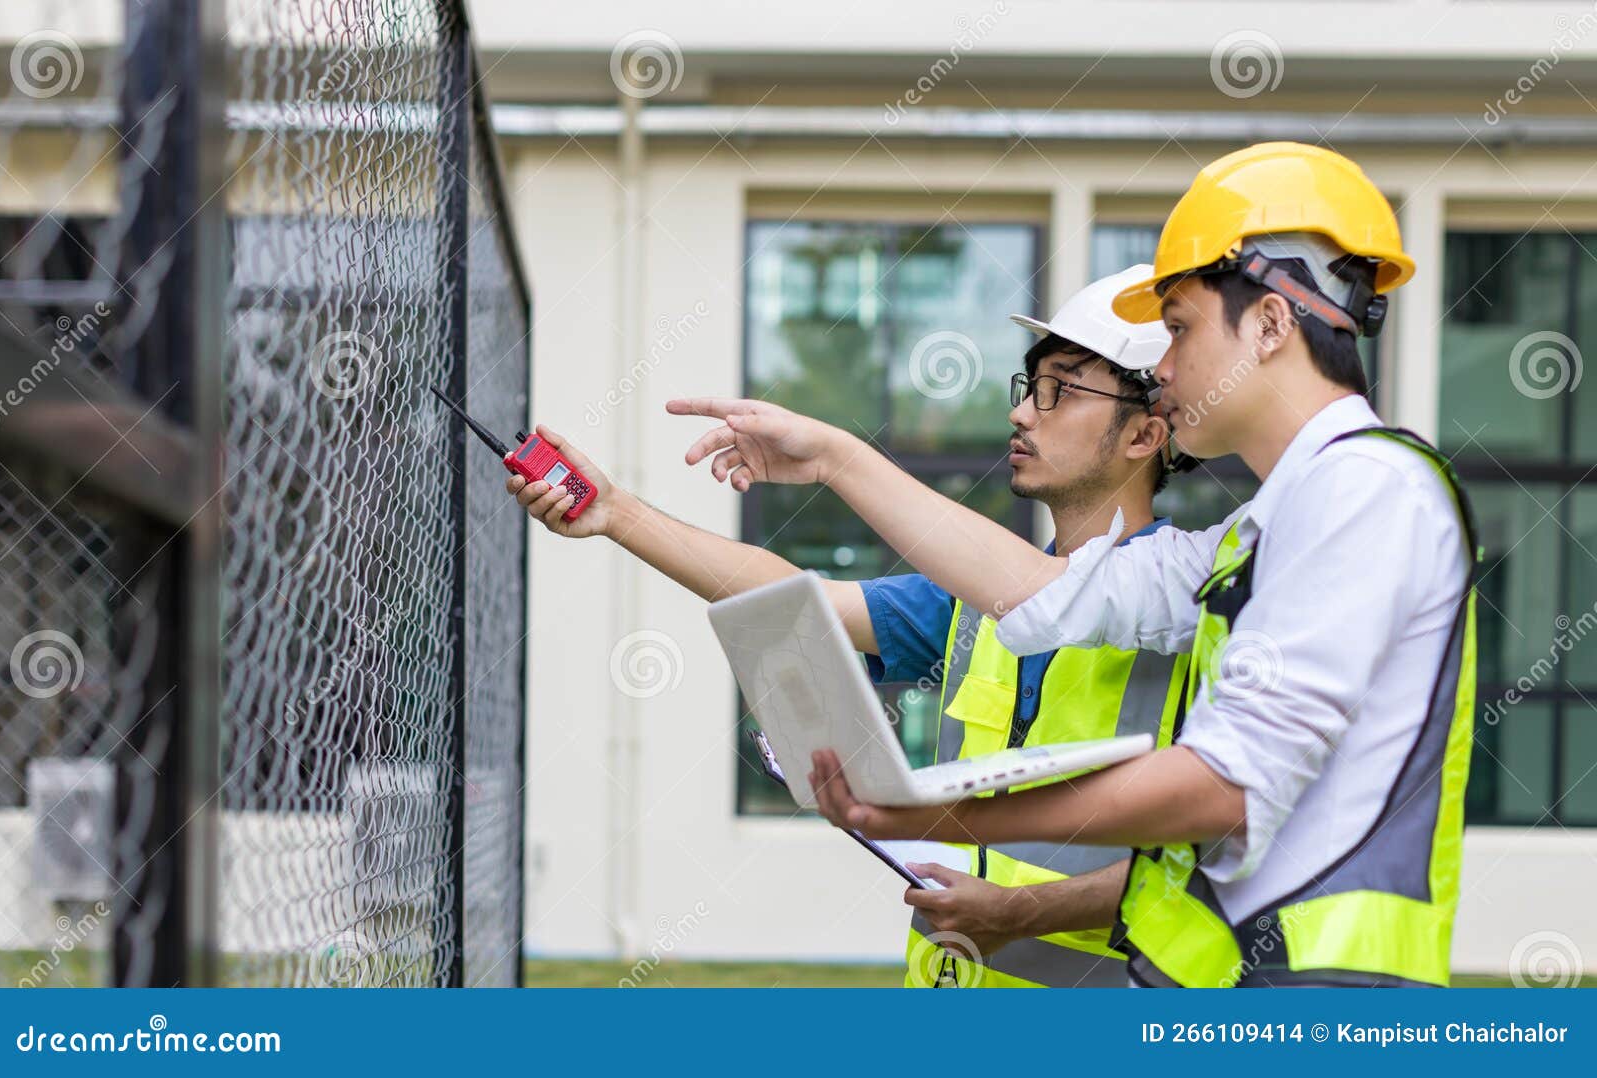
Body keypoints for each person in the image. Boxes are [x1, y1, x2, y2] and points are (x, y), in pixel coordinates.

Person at [668, 142, 1480, 988]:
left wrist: (944, 816)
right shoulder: (1262, 528)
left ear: (1271, 323)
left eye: (1179, 329)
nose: (1163, 372)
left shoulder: (1369, 492)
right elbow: (1036, 590)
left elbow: (1224, 785)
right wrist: (834, 456)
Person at [510, 266, 1191, 987]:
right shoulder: (975, 599)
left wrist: (1023, 911)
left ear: (1145, 434)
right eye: (1031, 390)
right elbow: (801, 599)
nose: (1023, 415)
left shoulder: (1198, 614)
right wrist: (618, 515)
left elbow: (1216, 853)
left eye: (1062, 392)